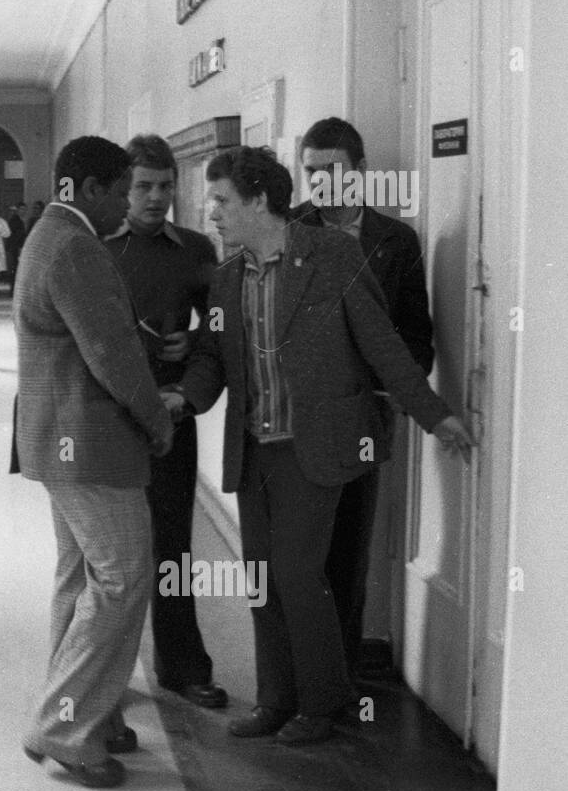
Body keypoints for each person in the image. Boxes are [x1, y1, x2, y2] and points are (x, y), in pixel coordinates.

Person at [168, 146, 473, 745]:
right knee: (262, 577)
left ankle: (323, 702)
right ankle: (276, 700)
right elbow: (211, 358)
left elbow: (383, 343)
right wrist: (182, 398)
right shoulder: (227, 277)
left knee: (299, 575)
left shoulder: (332, 255)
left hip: (316, 447)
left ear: (260, 200)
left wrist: (435, 415)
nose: (212, 213)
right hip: (254, 449)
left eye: (222, 200)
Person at [13, 136, 174, 789]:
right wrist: (157, 419)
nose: (125, 203)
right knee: (123, 576)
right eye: (118, 189)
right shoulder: (76, 245)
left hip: (62, 441)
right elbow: (111, 354)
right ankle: (63, 727)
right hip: (89, 444)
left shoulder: (51, 237)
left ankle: (89, 714)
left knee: (80, 579)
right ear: (82, 187)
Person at [292, 117, 436, 674]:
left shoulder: (396, 242)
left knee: (350, 554)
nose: (320, 183)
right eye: (310, 173)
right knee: (300, 559)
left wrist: (389, 390)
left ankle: (343, 679)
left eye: (331, 171)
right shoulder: (290, 230)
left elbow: (417, 336)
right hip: (300, 419)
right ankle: (302, 683)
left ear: (360, 173)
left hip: (365, 422)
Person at [106, 135, 227, 709]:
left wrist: (197, 339)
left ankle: (182, 666)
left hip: (173, 416)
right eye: (143, 187)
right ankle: (105, 677)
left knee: (173, 546)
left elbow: (227, 327)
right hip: (109, 420)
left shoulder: (198, 251)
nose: (156, 198)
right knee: (109, 556)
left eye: (165, 186)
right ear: (123, 190)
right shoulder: (99, 248)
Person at [5, 202, 27, 284]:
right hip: (15, 249)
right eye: (22, 209)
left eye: (25, 209)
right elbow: (16, 237)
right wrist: (19, 249)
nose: (24, 211)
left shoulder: (19, 221)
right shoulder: (16, 221)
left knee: (15, 268)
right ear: (17, 210)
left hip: (14, 249)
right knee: (15, 268)